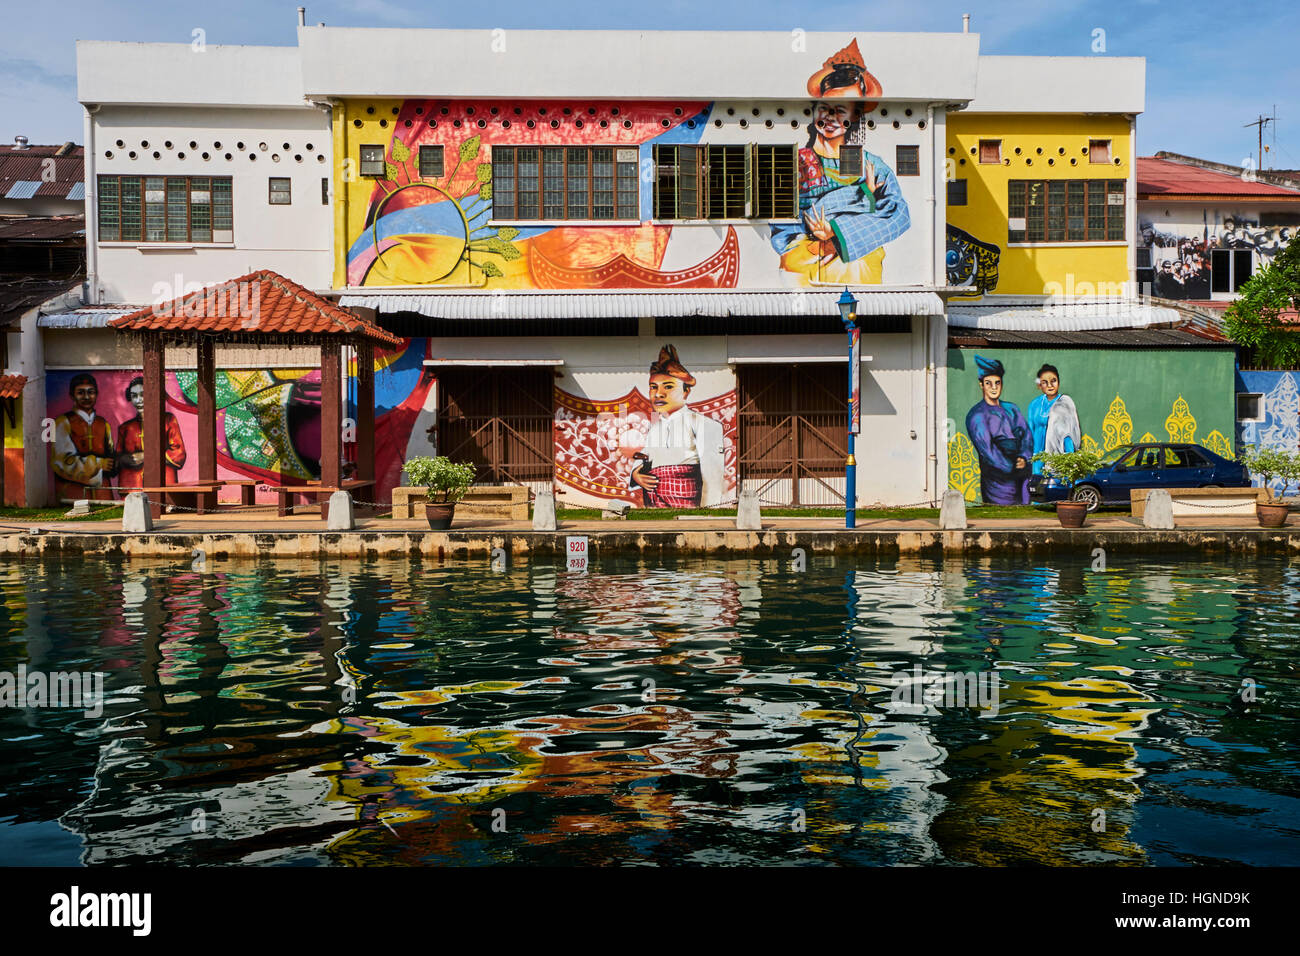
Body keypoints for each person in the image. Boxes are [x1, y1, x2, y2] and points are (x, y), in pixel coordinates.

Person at [770, 40, 910, 284]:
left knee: (858, 268)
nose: (830, 117)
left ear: (854, 116)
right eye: (825, 108)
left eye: (840, 110)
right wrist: (811, 243)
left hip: (858, 256)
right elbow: (778, 215)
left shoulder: (871, 165)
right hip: (805, 256)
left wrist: (838, 234)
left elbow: (899, 213)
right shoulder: (795, 163)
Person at [628, 345, 726, 508]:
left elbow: (712, 475)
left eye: (668, 387)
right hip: (656, 501)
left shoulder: (703, 424)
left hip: (687, 500)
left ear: (685, 392)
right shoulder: (655, 428)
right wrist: (636, 474)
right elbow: (646, 454)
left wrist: (708, 511)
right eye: (654, 387)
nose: (659, 394)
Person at [964, 356, 1033, 506]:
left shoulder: (1012, 409)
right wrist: (1012, 467)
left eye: (997, 383)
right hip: (998, 482)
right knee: (1003, 513)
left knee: (1024, 511)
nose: (994, 387)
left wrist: (1024, 457)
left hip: (1022, 476)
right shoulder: (977, 415)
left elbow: (1026, 435)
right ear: (981, 385)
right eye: (989, 383)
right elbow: (988, 451)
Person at [51, 372, 117, 502]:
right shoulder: (63, 422)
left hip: (102, 493)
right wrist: (98, 463)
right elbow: (62, 461)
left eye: (91, 392)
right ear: (72, 395)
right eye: (81, 392)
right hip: (73, 493)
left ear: (96, 394)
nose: (87, 397)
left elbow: (110, 456)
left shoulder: (103, 423)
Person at [116, 375, 187, 490]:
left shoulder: (168, 421)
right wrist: (124, 459)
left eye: (143, 395)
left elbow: (179, 454)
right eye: (134, 396)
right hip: (133, 487)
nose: (139, 400)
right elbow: (117, 458)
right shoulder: (125, 428)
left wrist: (146, 456)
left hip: (164, 484)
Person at [1027, 364, 1081, 475]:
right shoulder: (1034, 404)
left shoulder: (1065, 403)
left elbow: (1068, 435)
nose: (1050, 385)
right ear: (1039, 385)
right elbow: (1031, 430)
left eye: (1053, 381)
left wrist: (1068, 459)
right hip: (1038, 455)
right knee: (1038, 487)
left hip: (1057, 456)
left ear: (1059, 382)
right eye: (1045, 382)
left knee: (1054, 486)